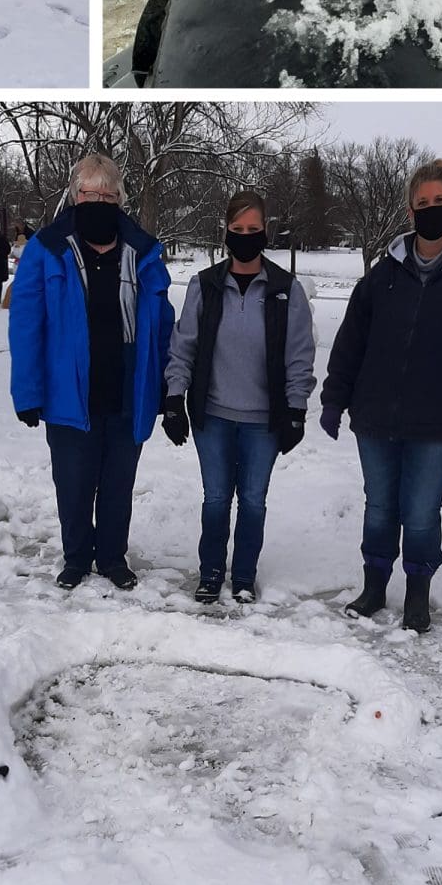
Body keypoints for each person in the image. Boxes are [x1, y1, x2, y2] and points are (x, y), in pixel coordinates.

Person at [320, 159, 442, 633]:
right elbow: (351, 340)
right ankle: (374, 586)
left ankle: (418, 593)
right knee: (380, 507)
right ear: (410, 211)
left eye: (439, 202)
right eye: (422, 203)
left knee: (422, 512)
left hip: (439, 422)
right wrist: (334, 397)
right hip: (376, 415)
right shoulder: (384, 274)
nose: (431, 209)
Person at [8, 155, 174, 590]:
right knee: (74, 484)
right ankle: (77, 557)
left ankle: (113, 558)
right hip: (68, 391)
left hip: (127, 387)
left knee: (118, 484)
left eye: (108, 195)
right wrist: (27, 392)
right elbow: (26, 325)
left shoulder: (144, 251)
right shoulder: (46, 249)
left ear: (120, 200)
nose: (99, 202)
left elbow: (161, 325)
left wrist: (163, 386)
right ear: (74, 196)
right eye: (90, 194)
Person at [162, 191, 316, 603]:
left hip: (263, 421)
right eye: (237, 229)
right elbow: (184, 346)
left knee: (252, 501)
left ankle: (244, 576)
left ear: (265, 231)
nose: (245, 236)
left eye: (253, 229)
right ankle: (211, 572)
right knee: (216, 499)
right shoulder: (205, 285)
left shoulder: (286, 289)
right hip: (213, 415)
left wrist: (296, 409)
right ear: (226, 231)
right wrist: (174, 399)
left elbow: (299, 355)